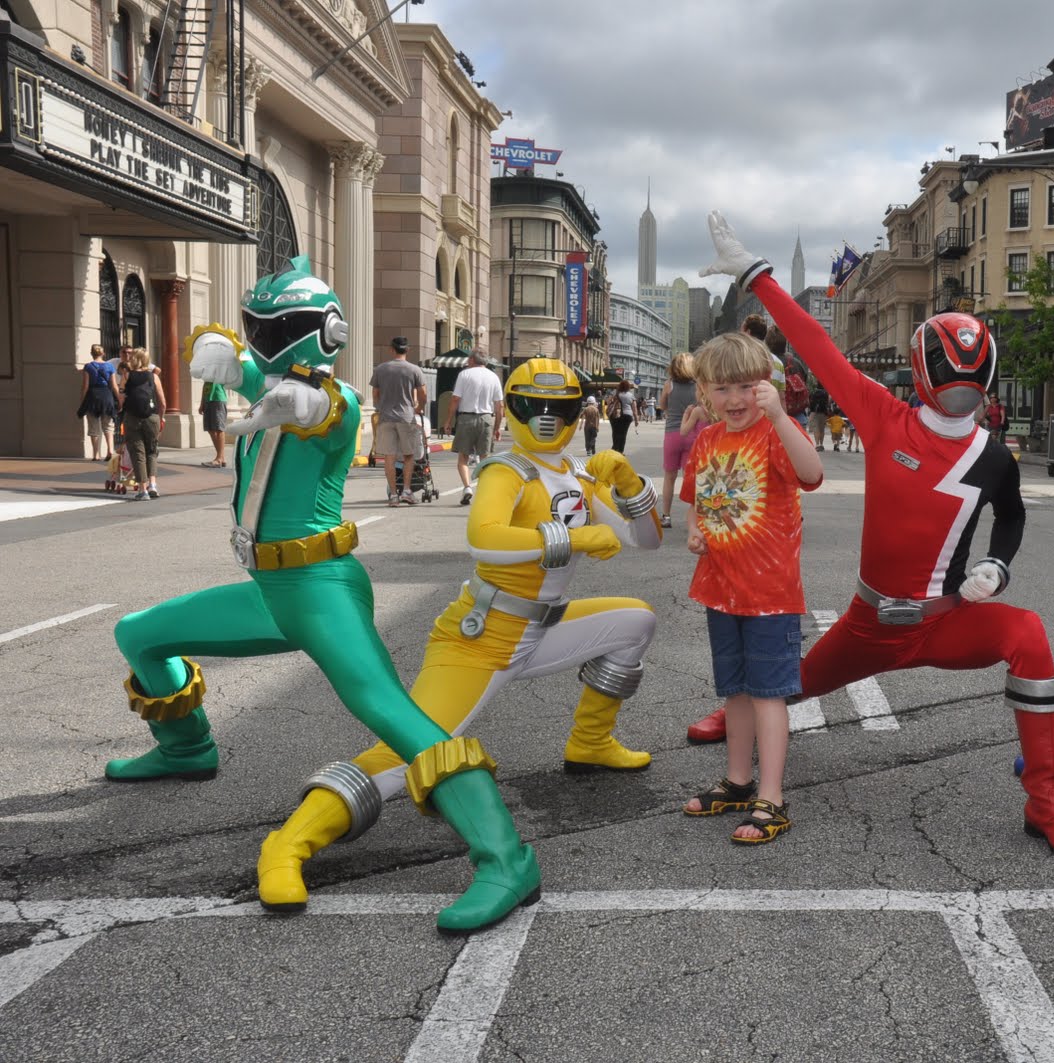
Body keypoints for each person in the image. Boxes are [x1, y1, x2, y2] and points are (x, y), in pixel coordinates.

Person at [111, 256, 539, 934]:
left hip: (322, 591)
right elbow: (264, 377)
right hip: (269, 590)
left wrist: (295, 395)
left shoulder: (330, 404)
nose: (264, 338)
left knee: (391, 714)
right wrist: (221, 352)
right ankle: (187, 746)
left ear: (324, 332)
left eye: (278, 328)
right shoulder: (274, 383)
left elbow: (323, 410)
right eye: (258, 325)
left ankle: (507, 855)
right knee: (139, 633)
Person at [693, 211, 1054, 860]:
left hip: (943, 618)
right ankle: (734, 723)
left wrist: (997, 564)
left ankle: (1048, 800)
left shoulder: (994, 457)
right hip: (870, 622)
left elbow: (1012, 515)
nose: (959, 385)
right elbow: (816, 347)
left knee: (1029, 637)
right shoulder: (885, 417)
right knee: (780, 684)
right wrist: (755, 275)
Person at [258, 357, 661, 911]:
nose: (547, 419)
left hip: (543, 625)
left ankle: (590, 742)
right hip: (483, 635)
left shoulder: (574, 474)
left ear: (578, 411)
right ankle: (287, 845)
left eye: (559, 409)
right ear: (512, 408)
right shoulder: (506, 471)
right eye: (534, 407)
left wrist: (630, 483)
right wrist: (575, 538)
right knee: (405, 753)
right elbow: (485, 539)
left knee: (636, 620)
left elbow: (646, 541)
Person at [678, 330, 823, 844]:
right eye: (721, 388)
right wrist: (696, 528)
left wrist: (782, 417)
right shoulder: (710, 439)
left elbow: (812, 474)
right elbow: (694, 493)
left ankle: (772, 797)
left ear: (765, 386)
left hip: (770, 595)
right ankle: (738, 781)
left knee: (768, 695)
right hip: (721, 588)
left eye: (745, 387)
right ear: (705, 392)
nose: (734, 399)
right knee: (734, 691)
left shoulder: (773, 433)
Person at [370, 337, 427, 506]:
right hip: (406, 417)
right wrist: (419, 408)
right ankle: (407, 491)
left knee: (390, 456)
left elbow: (375, 393)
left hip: (386, 417)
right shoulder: (414, 370)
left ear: (391, 349)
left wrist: (379, 407)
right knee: (409, 455)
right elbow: (423, 393)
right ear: (407, 350)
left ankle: (393, 495)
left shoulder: (381, 369)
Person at [443, 351, 502, 505]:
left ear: (471, 360)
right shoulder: (494, 377)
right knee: (485, 457)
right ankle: (485, 490)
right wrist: (497, 427)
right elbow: (499, 405)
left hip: (466, 418)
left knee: (463, 457)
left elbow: (455, 399)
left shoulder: (464, 375)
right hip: (486, 418)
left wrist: (448, 420)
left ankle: (467, 487)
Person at [112, 347, 165, 501]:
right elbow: (162, 401)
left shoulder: (127, 375)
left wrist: (120, 408)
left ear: (134, 359)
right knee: (152, 451)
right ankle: (153, 485)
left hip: (132, 418)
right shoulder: (154, 377)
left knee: (137, 453)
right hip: (152, 417)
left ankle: (143, 489)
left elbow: (121, 398)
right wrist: (160, 418)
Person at [660, 352, 704, 529]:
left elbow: (663, 406)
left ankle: (666, 516)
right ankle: (697, 515)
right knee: (691, 477)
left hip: (672, 434)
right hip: (691, 434)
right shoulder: (698, 385)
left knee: (669, 477)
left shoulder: (669, 385)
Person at [77, 344, 118, 462]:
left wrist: (82, 400)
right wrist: (119, 399)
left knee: (93, 426)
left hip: (93, 396)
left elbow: (85, 386)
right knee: (108, 425)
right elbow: (114, 386)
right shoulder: (110, 366)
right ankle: (110, 450)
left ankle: (96, 454)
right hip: (107, 396)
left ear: (91, 353)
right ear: (103, 353)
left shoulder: (88, 367)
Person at [199, 379, 229, 467]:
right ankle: (221, 457)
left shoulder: (220, 367)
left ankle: (219, 458)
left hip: (218, 398)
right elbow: (205, 386)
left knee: (219, 428)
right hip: (208, 400)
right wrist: (202, 403)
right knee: (210, 428)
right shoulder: (207, 370)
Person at [606, 379, 637, 452]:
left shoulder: (615, 393)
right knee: (623, 433)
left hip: (615, 415)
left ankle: (615, 448)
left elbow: (608, 402)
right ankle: (620, 451)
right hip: (627, 415)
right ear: (628, 387)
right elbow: (634, 409)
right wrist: (636, 420)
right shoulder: (631, 395)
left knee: (615, 432)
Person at [807, 384, 831, 451]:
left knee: (816, 428)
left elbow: (809, 402)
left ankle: (817, 444)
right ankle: (821, 444)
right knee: (822, 429)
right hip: (823, 413)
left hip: (815, 412)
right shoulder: (826, 393)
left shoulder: (814, 392)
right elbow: (829, 402)